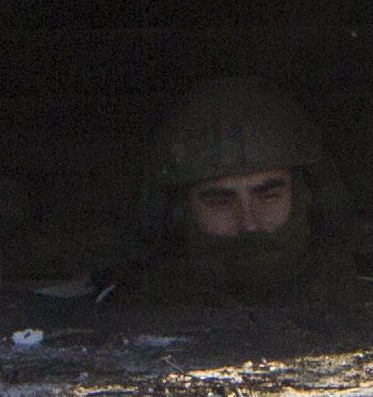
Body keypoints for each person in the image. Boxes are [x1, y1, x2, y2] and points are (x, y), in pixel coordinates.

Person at [139, 75, 332, 299]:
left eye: (269, 196)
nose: (248, 224)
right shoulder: (120, 309)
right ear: (177, 214)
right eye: (221, 202)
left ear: (304, 200)